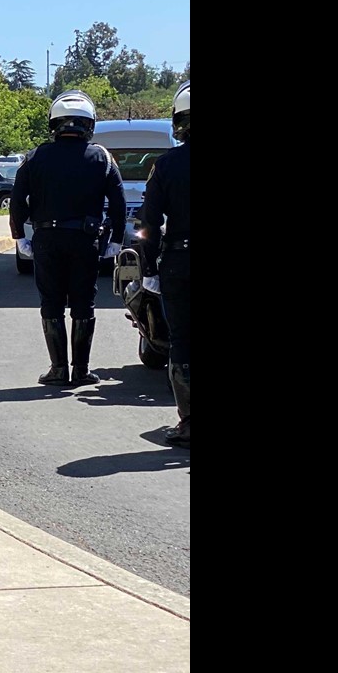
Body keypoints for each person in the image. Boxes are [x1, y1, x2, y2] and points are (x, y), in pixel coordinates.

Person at [9, 90, 126, 387]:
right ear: (89, 124)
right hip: (85, 239)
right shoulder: (102, 157)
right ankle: (81, 370)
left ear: (54, 123)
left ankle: (59, 368)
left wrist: (19, 236)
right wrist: (115, 238)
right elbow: (118, 201)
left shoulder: (34, 156)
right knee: (83, 303)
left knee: (51, 301)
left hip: (47, 237)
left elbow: (17, 200)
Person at [139, 82, 191, 445]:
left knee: (183, 341)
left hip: (181, 260)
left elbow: (149, 223)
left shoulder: (167, 165)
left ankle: (188, 422)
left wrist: (149, 268)